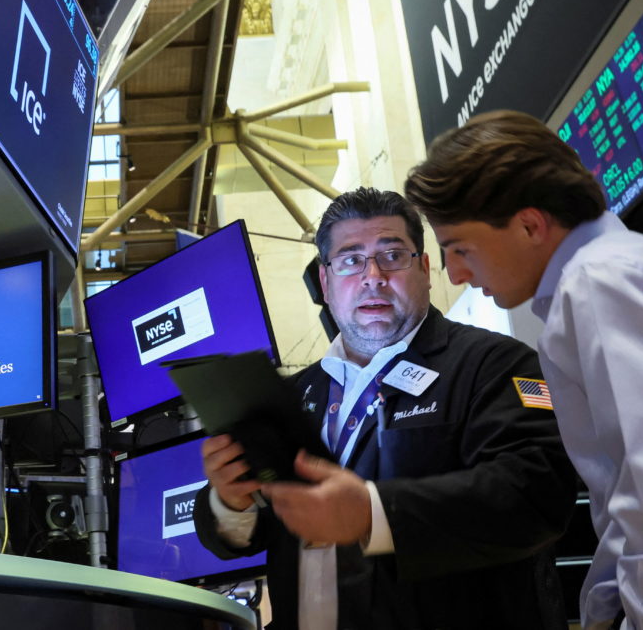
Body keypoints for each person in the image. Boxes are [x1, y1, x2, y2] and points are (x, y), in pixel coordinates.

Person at [403, 109, 643, 630]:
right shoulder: (614, 270)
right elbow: (634, 504)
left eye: (460, 249)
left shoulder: (601, 283)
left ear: (530, 225)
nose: (457, 274)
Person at [192, 187, 578, 629]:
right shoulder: (292, 395)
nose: (373, 276)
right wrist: (229, 499)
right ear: (325, 282)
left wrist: (372, 513)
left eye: (392, 255)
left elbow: (536, 494)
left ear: (426, 269)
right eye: (351, 260)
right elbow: (243, 536)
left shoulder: (494, 365)